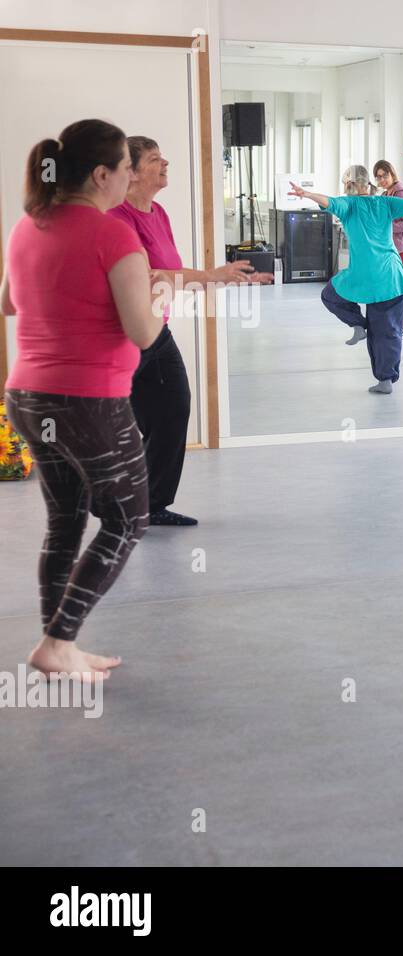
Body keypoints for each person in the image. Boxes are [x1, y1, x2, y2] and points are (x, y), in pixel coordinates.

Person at [1, 119, 162, 679]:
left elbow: (9, 303)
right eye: (125, 169)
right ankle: (59, 641)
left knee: (66, 520)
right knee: (128, 518)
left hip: (28, 396)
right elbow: (143, 331)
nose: (127, 179)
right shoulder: (112, 235)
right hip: (88, 403)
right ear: (102, 174)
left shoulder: (28, 225)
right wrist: (160, 295)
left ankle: (57, 647)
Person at [108, 135, 272, 527]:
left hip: (155, 333)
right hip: (121, 338)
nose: (165, 163)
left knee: (173, 409)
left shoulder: (158, 213)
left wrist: (224, 280)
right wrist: (212, 275)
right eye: (154, 159)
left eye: (163, 157)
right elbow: (146, 277)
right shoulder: (117, 220)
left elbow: (169, 276)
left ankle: (152, 506)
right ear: (129, 172)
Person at [289, 166, 403, 394]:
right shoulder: (385, 203)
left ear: (350, 185)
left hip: (366, 276)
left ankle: (357, 325)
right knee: (386, 331)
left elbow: (330, 202)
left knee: (331, 295)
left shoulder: (349, 205)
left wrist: (308, 194)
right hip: (389, 277)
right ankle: (385, 378)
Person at [373, 159, 403, 339]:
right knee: (391, 284)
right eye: (378, 177)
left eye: (385, 175)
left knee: (393, 285)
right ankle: (396, 325)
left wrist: (385, 225)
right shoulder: (387, 193)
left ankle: (401, 328)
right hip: (394, 247)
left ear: (392, 174)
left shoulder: (401, 193)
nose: (382, 179)